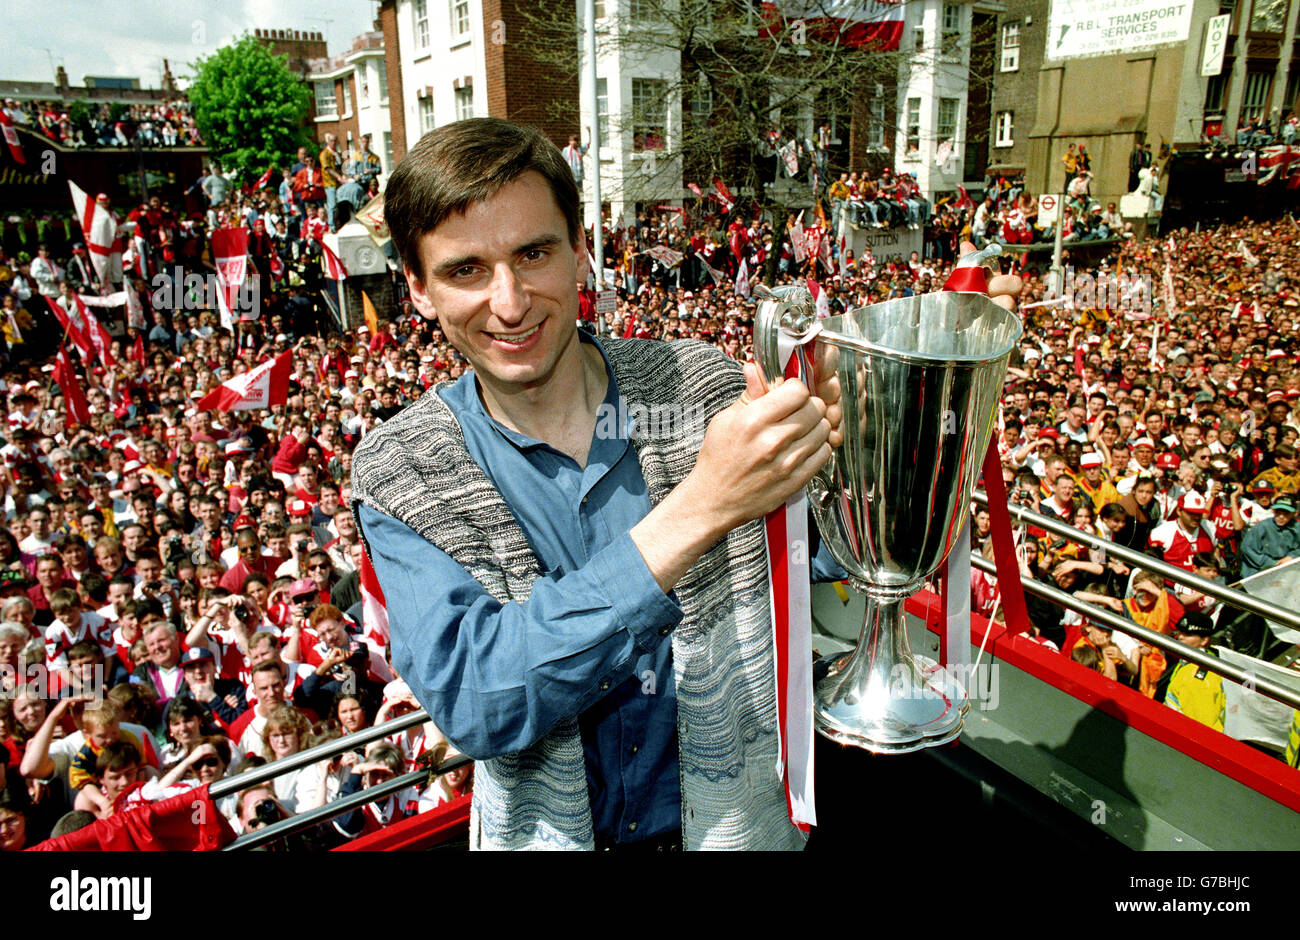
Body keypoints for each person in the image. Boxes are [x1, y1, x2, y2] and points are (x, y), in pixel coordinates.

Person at [351, 117, 1019, 850]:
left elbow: (836, 548)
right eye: (465, 270)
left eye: (533, 253)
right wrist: (705, 505)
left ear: (581, 252)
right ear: (416, 288)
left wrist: (913, 411)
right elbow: (478, 701)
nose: (509, 303)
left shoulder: (697, 387)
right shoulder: (401, 469)